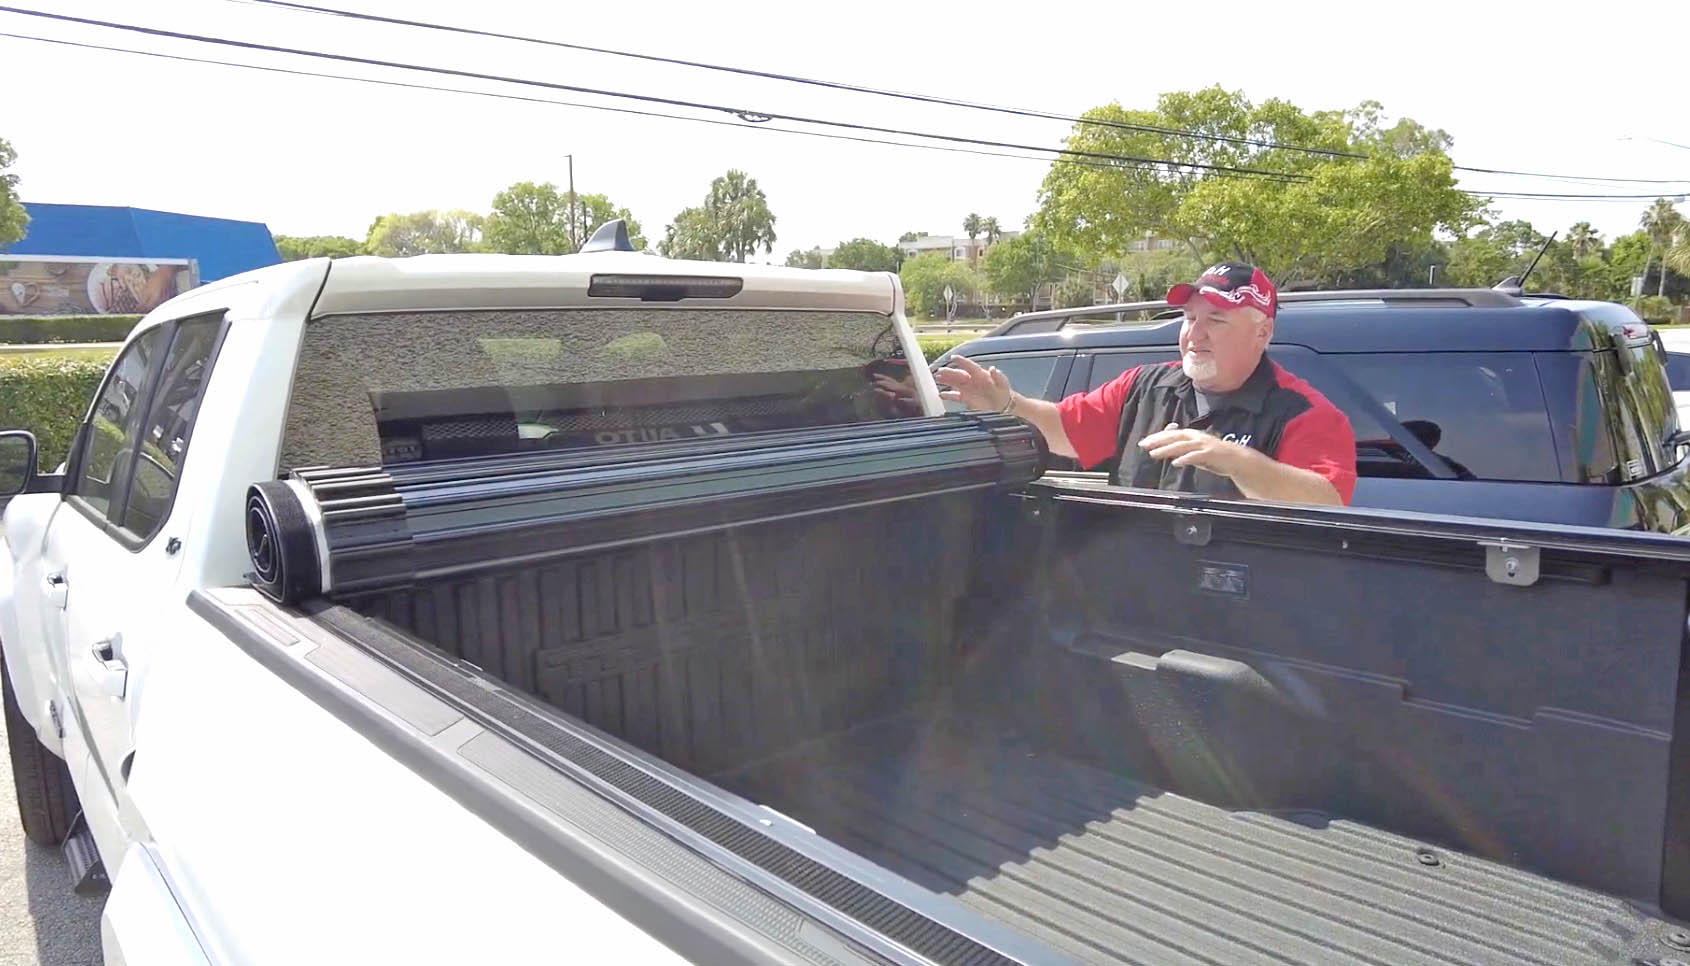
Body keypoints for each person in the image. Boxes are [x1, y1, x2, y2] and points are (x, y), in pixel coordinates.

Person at [935, 262, 1357, 505]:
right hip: (1137, 603)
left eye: (1216, 320)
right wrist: (1008, 404)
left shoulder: (1306, 414)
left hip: (1241, 623)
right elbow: (1065, 429)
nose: (1195, 333)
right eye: (1190, 318)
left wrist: (1235, 461)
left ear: (1262, 333)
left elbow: (1327, 502)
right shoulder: (1142, 386)